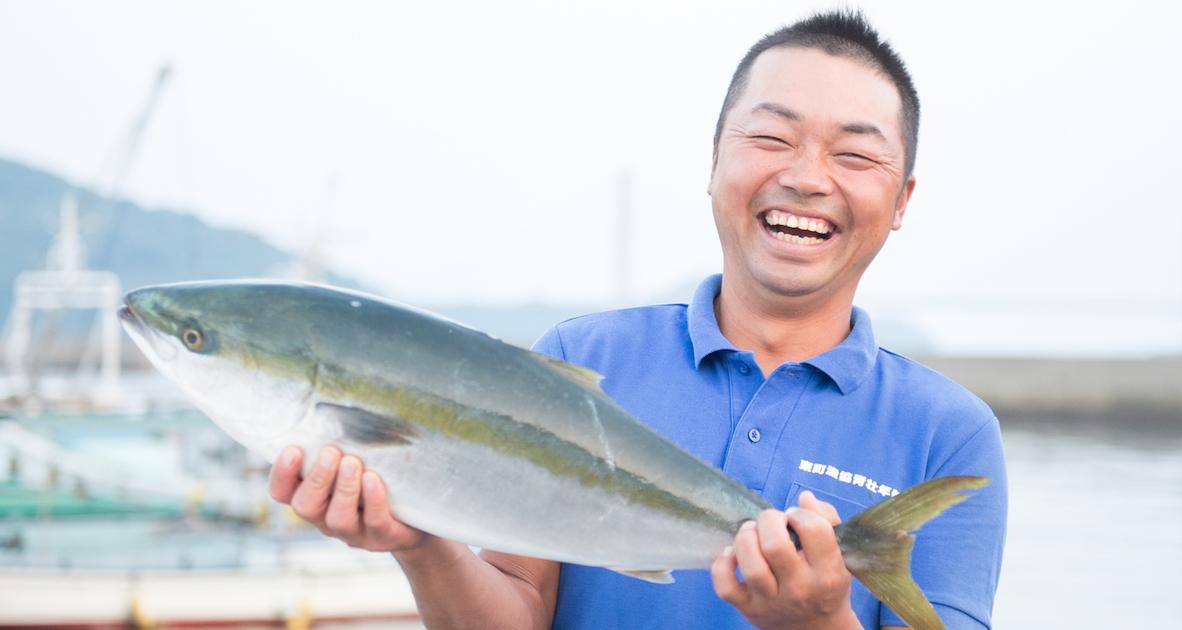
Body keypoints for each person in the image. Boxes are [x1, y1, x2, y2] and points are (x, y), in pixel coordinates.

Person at [268, 9, 1007, 629]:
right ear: (714, 160)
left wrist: (820, 623)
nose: (808, 177)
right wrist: (421, 542)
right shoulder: (582, 357)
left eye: (854, 154)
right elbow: (516, 610)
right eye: (772, 138)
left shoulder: (946, 432)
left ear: (902, 200)